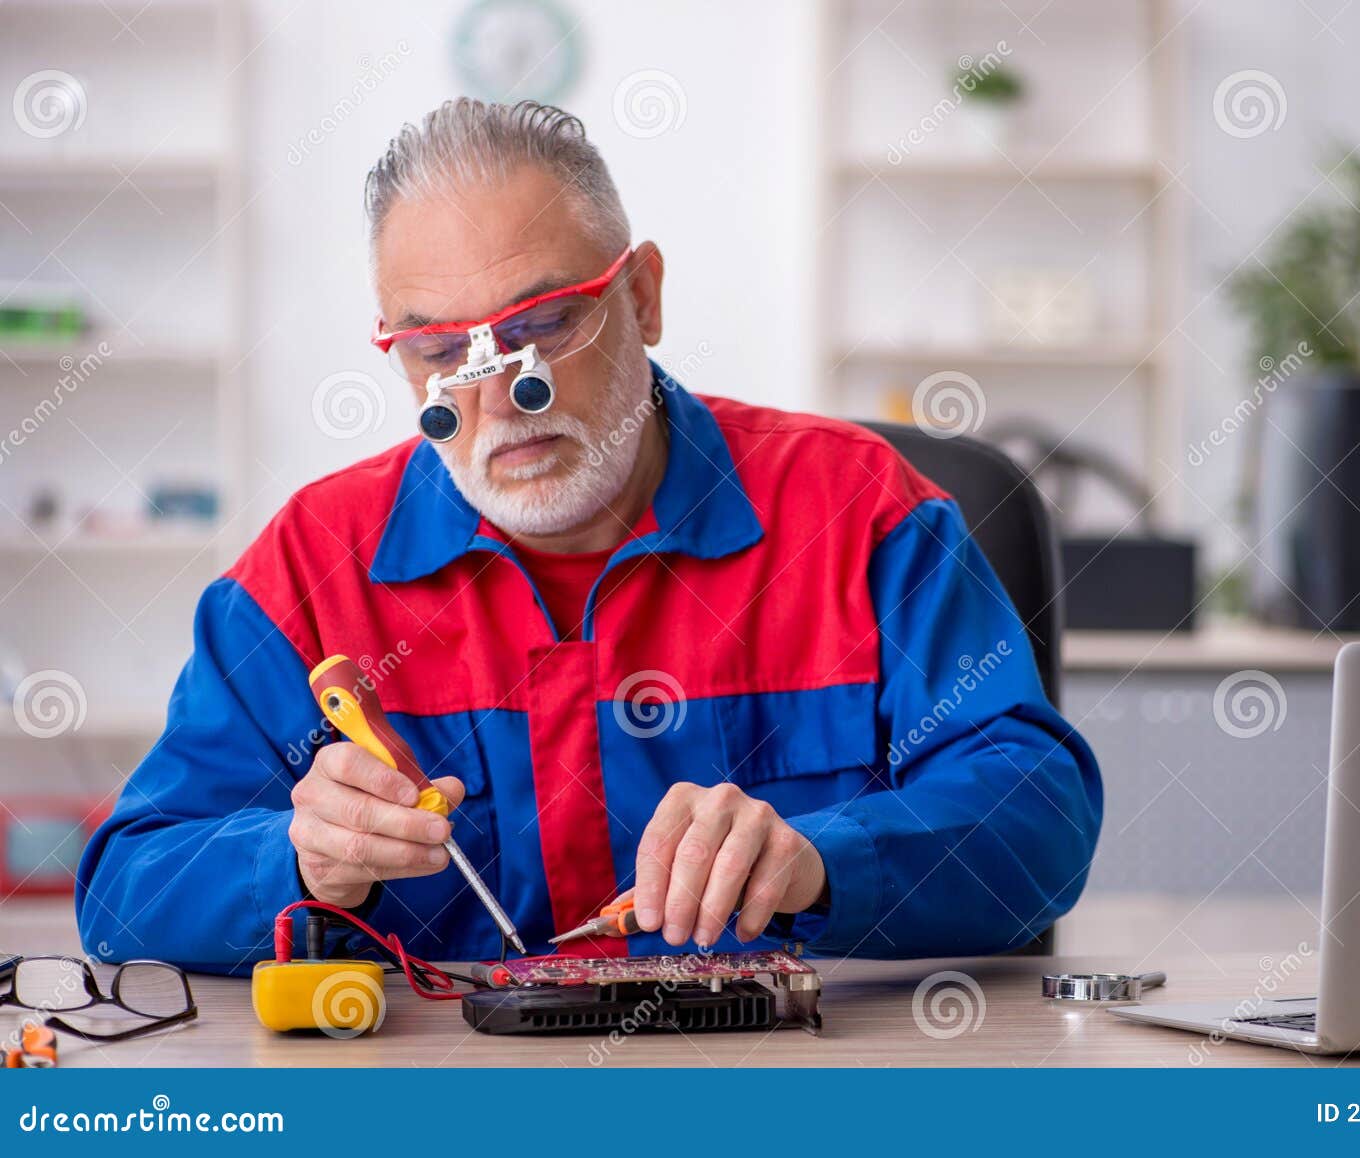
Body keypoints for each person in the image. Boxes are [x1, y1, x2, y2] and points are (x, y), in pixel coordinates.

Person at [76, 99, 1101, 972]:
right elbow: (125, 887)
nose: (501, 399)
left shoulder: (860, 512)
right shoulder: (310, 568)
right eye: (440, 349)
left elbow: (1038, 816)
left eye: (543, 326)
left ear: (642, 295)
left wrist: (819, 858)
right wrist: (296, 862)